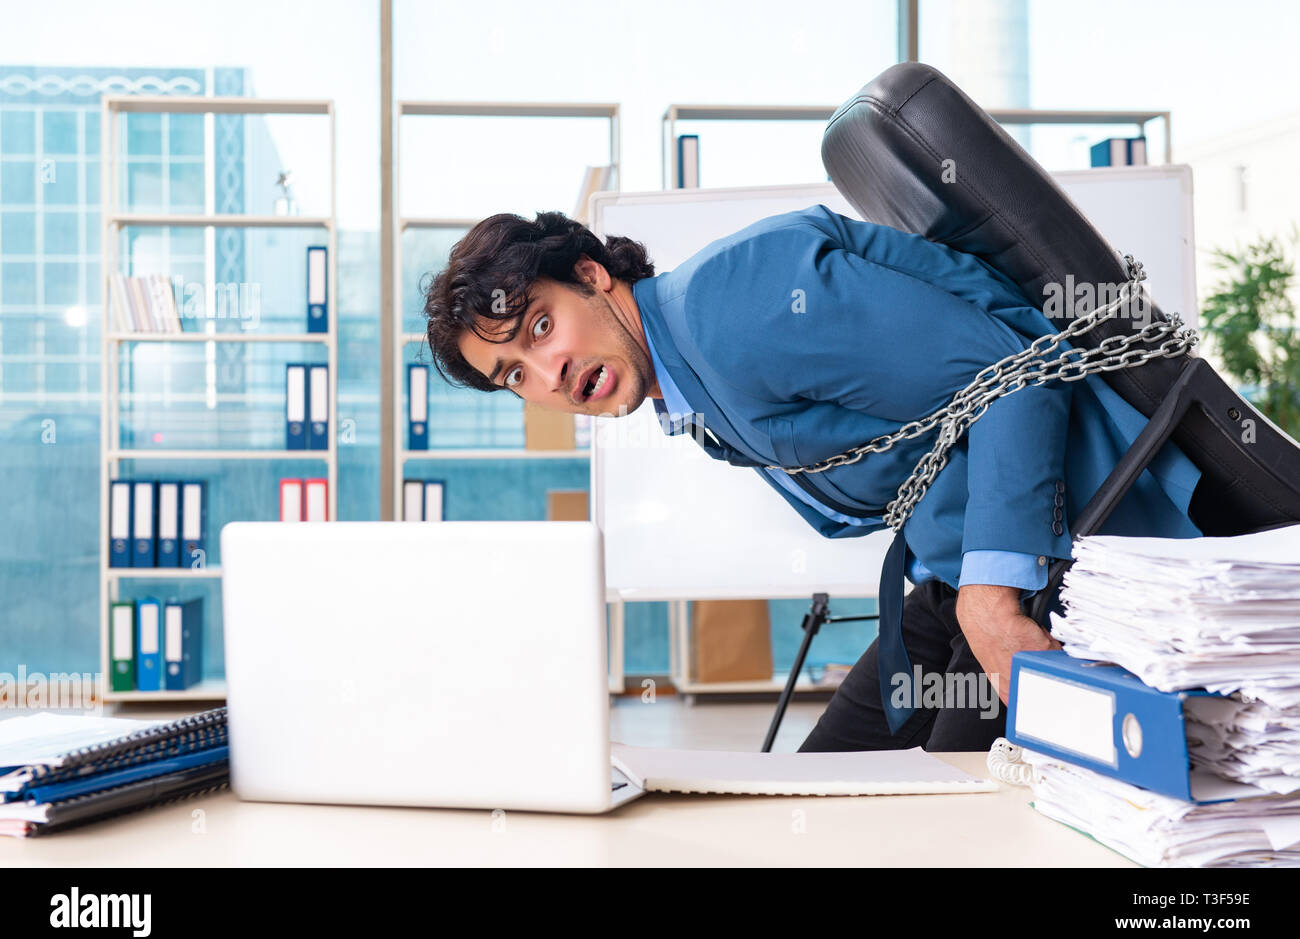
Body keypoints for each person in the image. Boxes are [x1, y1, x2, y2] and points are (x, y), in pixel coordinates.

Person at [421, 204, 1203, 752]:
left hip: (1064, 549)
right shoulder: (690, 383)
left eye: (541, 327)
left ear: (592, 275)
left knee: (960, 829)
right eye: (514, 374)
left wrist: (989, 600)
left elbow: (1015, 373)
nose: (547, 373)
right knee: (821, 805)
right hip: (954, 573)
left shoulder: (734, 305)